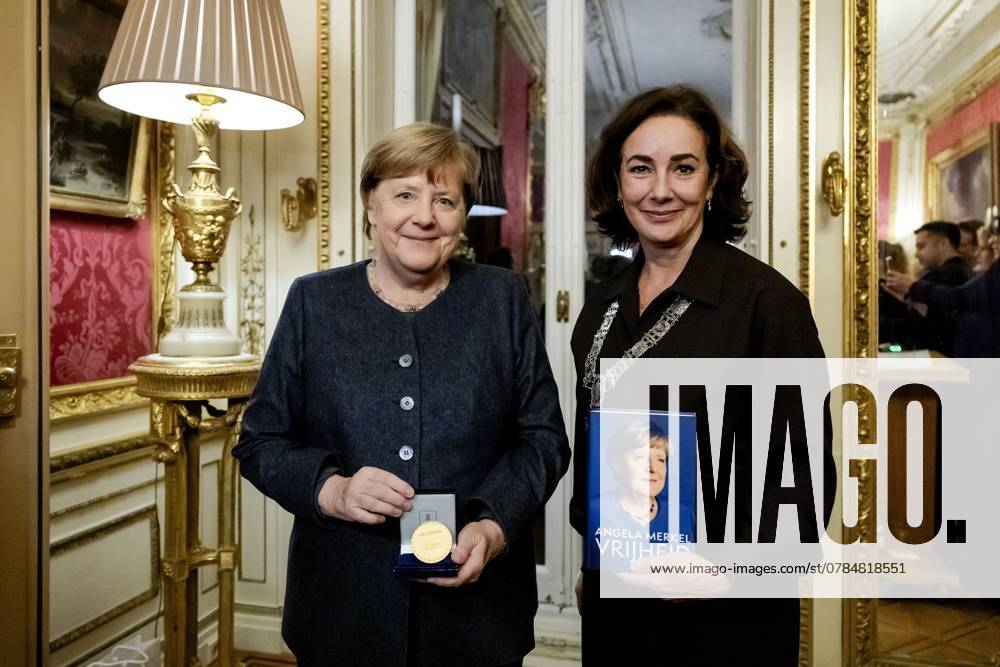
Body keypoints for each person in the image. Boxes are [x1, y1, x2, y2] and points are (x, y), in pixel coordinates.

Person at [233, 122, 570, 667]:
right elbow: (260, 442)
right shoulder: (314, 303)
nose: (425, 216)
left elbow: (543, 440)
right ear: (370, 204)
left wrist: (493, 525)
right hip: (341, 608)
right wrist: (331, 490)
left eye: (445, 199)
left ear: (461, 216)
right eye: (405, 194)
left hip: (478, 617)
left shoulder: (500, 299)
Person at [569, 85, 826, 666]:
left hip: (725, 615)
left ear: (712, 182)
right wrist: (596, 564)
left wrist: (732, 570)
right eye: (641, 169)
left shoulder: (768, 305)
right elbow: (598, 453)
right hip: (620, 601)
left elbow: (806, 475)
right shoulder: (600, 308)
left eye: (683, 168)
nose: (660, 190)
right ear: (618, 183)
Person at [884, 221, 973, 356]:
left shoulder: (947, 274)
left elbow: (934, 327)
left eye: (921, 247)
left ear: (943, 244)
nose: (917, 254)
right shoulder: (963, 271)